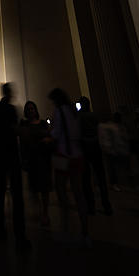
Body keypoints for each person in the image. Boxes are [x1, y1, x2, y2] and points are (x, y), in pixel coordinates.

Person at [0, 83, 30, 251]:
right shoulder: (10, 110)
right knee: (17, 196)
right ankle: (20, 234)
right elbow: (13, 130)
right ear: (10, 93)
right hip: (11, 156)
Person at [49, 87, 90, 245]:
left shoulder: (60, 112)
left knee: (62, 194)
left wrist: (46, 136)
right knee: (79, 194)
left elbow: (56, 133)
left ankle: (66, 229)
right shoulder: (74, 111)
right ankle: (85, 232)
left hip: (63, 156)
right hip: (77, 155)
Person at [77, 96, 112, 215]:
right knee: (101, 178)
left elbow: (78, 133)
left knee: (86, 180)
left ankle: (91, 206)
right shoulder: (94, 116)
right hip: (95, 148)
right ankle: (106, 205)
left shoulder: (79, 117)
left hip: (85, 149)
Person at [19, 100, 52, 226]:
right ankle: (40, 210)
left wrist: (48, 141)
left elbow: (51, 136)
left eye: (32, 108)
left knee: (44, 188)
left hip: (43, 159)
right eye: (28, 109)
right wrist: (23, 160)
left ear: (36, 110)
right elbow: (22, 144)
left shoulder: (43, 124)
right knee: (34, 188)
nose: (30, 111)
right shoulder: (24, 125)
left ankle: (45, 212)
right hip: (32, 159)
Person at [98, 112, 129, 191]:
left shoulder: (104, 126)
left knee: (113, 167)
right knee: (113, 167)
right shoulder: (110, 126)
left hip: (112, 149)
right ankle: (115, 183)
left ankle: (116, 182)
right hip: (112, 149)